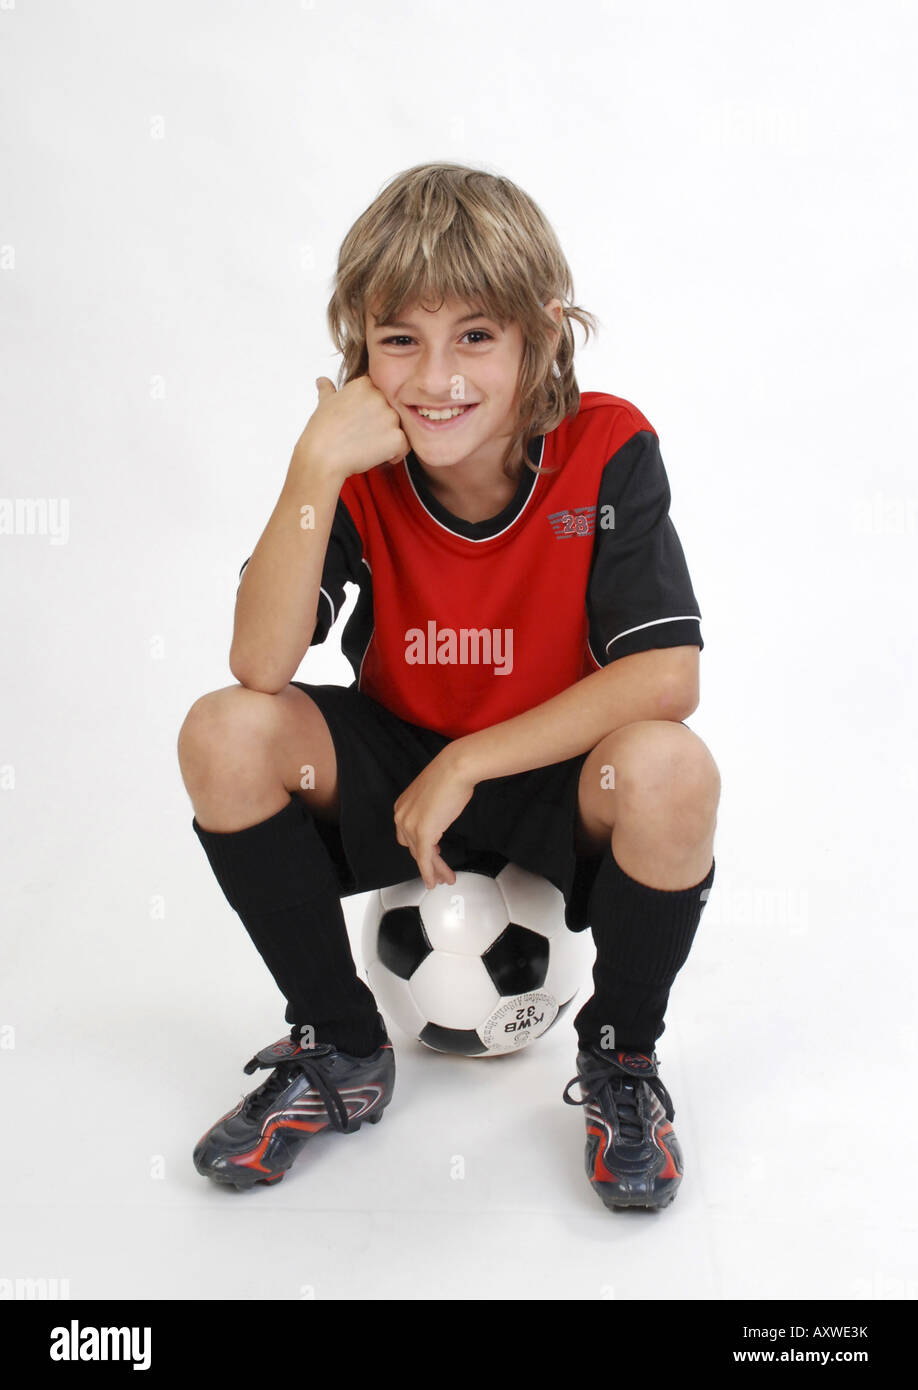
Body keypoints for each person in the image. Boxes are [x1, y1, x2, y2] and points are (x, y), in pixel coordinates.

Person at [177, 163, 720, 1211]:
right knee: (224, 732)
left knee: (671, 767)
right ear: (360, 349)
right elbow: (259, 667)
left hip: (551, 773)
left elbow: (668, 673)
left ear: (543, 333)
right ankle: (338, 1047)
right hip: (395, 754)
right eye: (399, 339)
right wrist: (310, 473)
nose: (437, 377)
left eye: (475, 335)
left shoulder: (608, 447)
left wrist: (470, 761)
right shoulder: (361, 467)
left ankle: (621, 1058)